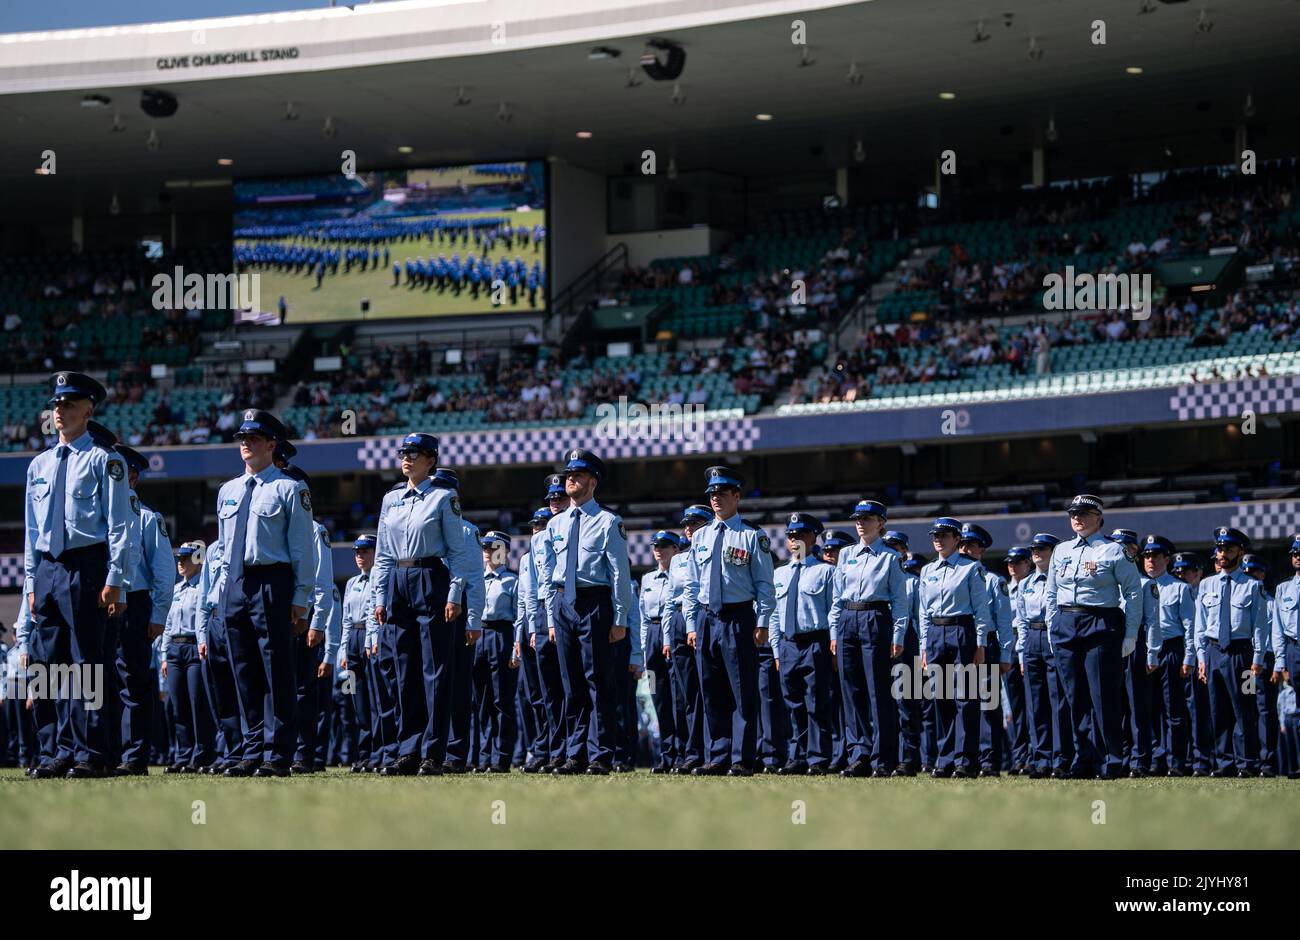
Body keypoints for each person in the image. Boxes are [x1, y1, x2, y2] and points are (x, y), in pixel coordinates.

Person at [25, 372, 131, 778]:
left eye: (68, 404)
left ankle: (89, 752)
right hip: (49, 569)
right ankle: (54, 750)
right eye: (56, 404)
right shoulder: (39, 465)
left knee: (85, 662)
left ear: (88, 411)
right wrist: (33, 580)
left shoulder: (106, 461)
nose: (59, 411)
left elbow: (118, 526)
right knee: (48, 665)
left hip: (88, 565)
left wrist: (114, 577)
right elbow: (32, 533)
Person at [214, 410, 316, 777]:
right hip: (236, 585)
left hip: (273, 582)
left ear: (272, 445)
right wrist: (224, 592)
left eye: (254, 439)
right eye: (242, 437)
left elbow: (303, 549)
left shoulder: (289, 488)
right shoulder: (228, 491)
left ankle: (278, 753)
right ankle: (251, 749)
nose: (246, 444)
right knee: (244, 671)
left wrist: (301, 599)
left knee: (276, 670)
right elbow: (225, 550)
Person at [371, 434, 474, 777]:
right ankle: (407, 750)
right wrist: (380, 596)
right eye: (403, 453)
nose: (406, 458)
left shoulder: (444, 498)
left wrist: (455, 594)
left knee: (435, 670)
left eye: (414, 453)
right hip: (399, 579)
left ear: (430, 460)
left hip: (431, 577)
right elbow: (383, 553)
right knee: (405, 669)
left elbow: (457, 551)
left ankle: (433, 752)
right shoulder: (391, 500)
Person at [537, 449, 633, 775]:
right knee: (571, 683)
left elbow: (620, 574)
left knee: (598, 681)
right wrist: (553, 615)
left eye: (577, 476)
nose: (570, 480)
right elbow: (550, 575)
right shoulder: (555, 524)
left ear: (593, 482)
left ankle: (600, 755)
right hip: (565, 603)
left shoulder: (609, 522)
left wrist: (620, 619)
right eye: (568, 475)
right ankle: (574, 754)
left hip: (595, 603)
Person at [682, 466, 774, 776]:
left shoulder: (752, 535)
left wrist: (762, 622)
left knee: (742, 691)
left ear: (737, 496)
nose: (716, 498)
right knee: (712, 690)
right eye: (712, 494)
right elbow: (692, 585)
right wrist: (692, 624)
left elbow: (764, 584)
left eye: (722, 493)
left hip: (739, 618)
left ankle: (742, 759)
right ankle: (717, 756)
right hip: (708, 618)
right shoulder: (702, 536)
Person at [1044, 494, 1142, 780]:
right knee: (1074, 698)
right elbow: (1051, 592)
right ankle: (1083, 758)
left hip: (1101, 623)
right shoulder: (1061, 550)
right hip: (1066, 623)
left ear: (1099, 518)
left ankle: (1110, 760)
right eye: (1074, 513)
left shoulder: (1114, 551)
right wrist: (1053, 626)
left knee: (1102, 696)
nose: (1078, 518)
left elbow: (1133, 593)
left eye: (1085, 513)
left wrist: (1131, 634)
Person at [830, 500, 909, 777]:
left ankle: (884, 759)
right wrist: (834, 632)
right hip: (848, 620)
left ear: (881, 523)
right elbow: (837, 597)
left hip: (876, 618)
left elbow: (900, 601)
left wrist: (898, 635)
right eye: (858, 518)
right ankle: (859, 755)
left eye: (868, 518)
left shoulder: (890, 557)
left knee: (878, 693)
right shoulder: (846, 554)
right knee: (851, 692)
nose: (861, 523)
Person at [109, 443, 174, 775]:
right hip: (103, 603)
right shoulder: (99, 513)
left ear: (131, 477)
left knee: (133, 680)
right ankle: (99, 751)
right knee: (100, 678)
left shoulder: (147, 518)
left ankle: (134, 756)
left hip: (134, 603)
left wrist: (158, 615)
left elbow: (163, 571)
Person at [918, 517, 994, 777]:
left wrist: (981, 643)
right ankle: (945, 758)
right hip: (936, 633)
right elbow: (923, 612)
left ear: (956, 539)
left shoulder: (971, 568)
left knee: (966, 697)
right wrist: (924, 646)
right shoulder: (927, 571)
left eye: (944, 535)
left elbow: (981, 610)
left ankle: (966, 760)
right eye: (935, 536)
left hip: (963, 630)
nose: (938, 540)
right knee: (941, 698)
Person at [1194, 527, 1268, 777]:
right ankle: (1224, 763)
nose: (1222, 553)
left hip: (1243, 655)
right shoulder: (1206, 584)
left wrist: (1257, 659)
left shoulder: (1252, 586)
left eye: (1228, 549)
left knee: (1245, 708)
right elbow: (1200, 626)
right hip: (1215, 653)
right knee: (1218, 709)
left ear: (1240, 552)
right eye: (1219, 548)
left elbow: (1259, 626)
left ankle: (1246, 763)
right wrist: (1201, 658)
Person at [430, 467, 485, 775]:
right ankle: (427, 749)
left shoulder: (465, 531)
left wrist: (473, 620)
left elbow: (475, 579)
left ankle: (455, 753)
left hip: (458, 609)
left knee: (457, 684)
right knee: (429, 680)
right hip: (426, 604)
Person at [771, 513, 835, 775]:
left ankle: (818, 758)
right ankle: (796, 756)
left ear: (813, 537)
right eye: (791, 535)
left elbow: (834, 611)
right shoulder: (779, 574)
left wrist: (833, 644)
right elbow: (774, 614)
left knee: (817, 702)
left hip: (815, 642)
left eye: (801, 534)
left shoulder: (826, 571)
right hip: (788, 644)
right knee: (792, 702)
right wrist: (776, 649)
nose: (795, 539)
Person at [958, 522, 1015, 776]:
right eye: (962, 544)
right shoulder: (955, 577)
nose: (966, 549)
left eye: (971, 545)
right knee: (962, 701)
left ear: (981, 550)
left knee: (988, 705)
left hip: (987, 643)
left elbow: (1003, 621)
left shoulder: (994, 580)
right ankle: (965, 757)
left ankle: (990, 760)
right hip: (961, 640)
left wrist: (1004, 655)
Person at [1015, 533, 1071, 778]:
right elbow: (1022, 621)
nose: (1037, 552)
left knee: (1057, 700)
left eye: (1043, 549)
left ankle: (1060, 758)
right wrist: (1021, 654)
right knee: (1035, 704)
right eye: (1034, 549)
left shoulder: (1061, 581)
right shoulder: (1025, 584)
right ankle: (1040, 759)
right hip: (1032, 641)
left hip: (1054, 637)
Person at [1141, 534, 1195, 777]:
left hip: (1171, 649)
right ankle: (1156, 759)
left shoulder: (1179, 588)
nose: (1150, 560)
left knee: (1173, 710)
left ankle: (1175, 761)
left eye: (1155, 556)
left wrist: (1189, 658)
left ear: (1166, 559)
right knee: (1148, 709)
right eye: (1147, 556)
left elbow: (1190, 626)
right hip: (1144, 650)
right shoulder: (1138, 587)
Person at [162, 541, 217, 771]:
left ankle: (201, 754)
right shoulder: (176, 590)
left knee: (197, 703)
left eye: (185, 558)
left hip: (194, 648)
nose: (180, 563)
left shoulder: (203, 588)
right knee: (179, 705)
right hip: (175, 649)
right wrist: (165, 653)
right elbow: (167, 624)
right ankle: (183, 756)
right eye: (179, 558)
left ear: (198, 560)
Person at [665, 508, 711, 773]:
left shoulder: (711, 552)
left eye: (695, 523)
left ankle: (712, 749)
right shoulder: (679, 560)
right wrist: (669, 636)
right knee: (688, 693)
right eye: (686, 525)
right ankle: (691, 752)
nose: (689, 529)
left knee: (710, 689)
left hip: (705, 617)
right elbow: (671, 599)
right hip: (682, 620)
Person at [1108, 527, 1156, 777]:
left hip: (1136, 645)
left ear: (1134, 552)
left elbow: (1152, 622)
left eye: (1124, 548)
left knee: (1137, 707)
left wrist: (1152, 654)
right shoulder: (1107, 585)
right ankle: (1121, 758)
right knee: (1114, 706)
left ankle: (1139, 761)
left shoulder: (1145, 584)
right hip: (1110, 645)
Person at [474, 530, 523, 772]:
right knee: (482, 701)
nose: (487, 552)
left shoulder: (512, 581)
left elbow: (517, 617)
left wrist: (516, 646)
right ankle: (483, 758)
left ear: (503, 551)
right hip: (478, 635)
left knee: (502, 700)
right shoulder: (476, 579)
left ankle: (502, 757)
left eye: (493, 547)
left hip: (502, 635)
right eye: (485, 547)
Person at [519, 504, 562, 772]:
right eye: (534, 526)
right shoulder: (526, 558)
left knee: (554, 690)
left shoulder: (557, 549)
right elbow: (524, 599)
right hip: (531, 621)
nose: (537, 530)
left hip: (552, 614)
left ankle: (556, 747)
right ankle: (541, 746)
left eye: (542, 525)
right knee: (536, 693)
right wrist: (523, 633)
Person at [339, 535, 379, 772]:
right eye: (357, 552)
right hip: (353, 639)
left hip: (370, 638)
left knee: (375, 698)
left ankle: (378, 753)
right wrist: (344, 650)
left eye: (365, 552)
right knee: (358, 700)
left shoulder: (379, 579)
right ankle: (363, 754)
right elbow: (345, 619)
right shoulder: (352, 583)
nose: (360, 557)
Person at [641, 530, 679, 772]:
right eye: (656, 545)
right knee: (658, 697)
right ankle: (666, 755)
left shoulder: (680, 577)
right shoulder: (647, 579)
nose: (659, 549)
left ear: (676, 550)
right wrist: (644, 651)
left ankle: (683, 752)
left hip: (672, 635)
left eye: (665, 545)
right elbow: (644, 618)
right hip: (653, 639)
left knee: (679, 697)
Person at [1243, 554, 1279, 776]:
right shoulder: (1242, 600)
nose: (1249, 577)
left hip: (1266, 661)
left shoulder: (1272, 603)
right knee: (1247, 709)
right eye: (1246, 573)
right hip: (1247, 662)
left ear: (1262, 575)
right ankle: (1250, 760)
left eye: (1253, 573)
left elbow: (1276, 636)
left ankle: (1267, 762)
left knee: (1266, 710)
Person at [1003, 545, 1032, 774]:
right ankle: (1019, 756)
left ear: (1028, 564)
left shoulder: (1033, 585)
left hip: (1030, 641)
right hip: (1011, 645)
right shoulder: (1005, 589)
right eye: (1010, 563)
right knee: (1015, 706)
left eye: (1018, 562)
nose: (1013, 566)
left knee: (1033, 703)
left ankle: (1035, 754)